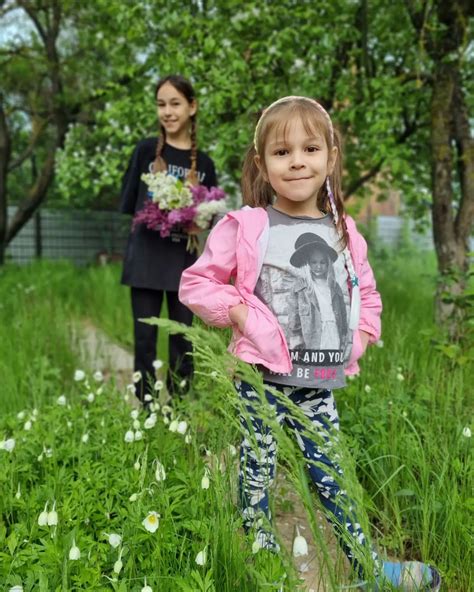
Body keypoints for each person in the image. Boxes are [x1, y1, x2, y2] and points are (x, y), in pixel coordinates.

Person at [179, 96, 441, 590]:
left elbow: (367, 291)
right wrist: (237, 311)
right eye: (282, 152)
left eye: (310, 148)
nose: (297, 160)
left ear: (330, 157)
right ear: (262, 164)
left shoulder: (344, 231)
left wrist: (362, 334)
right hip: (262, 382)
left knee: (333, 474)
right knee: (257, 471)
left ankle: (368, 568)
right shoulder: (247, 227)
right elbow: (196, 284)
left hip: (318, 384)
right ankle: (263, 568)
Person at [120, 75, 217, 401]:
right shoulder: (146, 151)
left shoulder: (205, 164)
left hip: (184, 264)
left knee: (182, 340)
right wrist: (158, 211)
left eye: (175, 103)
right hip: (146, 260)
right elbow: (129, 201)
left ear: (192, 107)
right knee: (145, 338)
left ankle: (181, 408)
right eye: (161, 104)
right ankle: (145, 405)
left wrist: (196, 222)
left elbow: (210, 213)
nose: (168, 112)